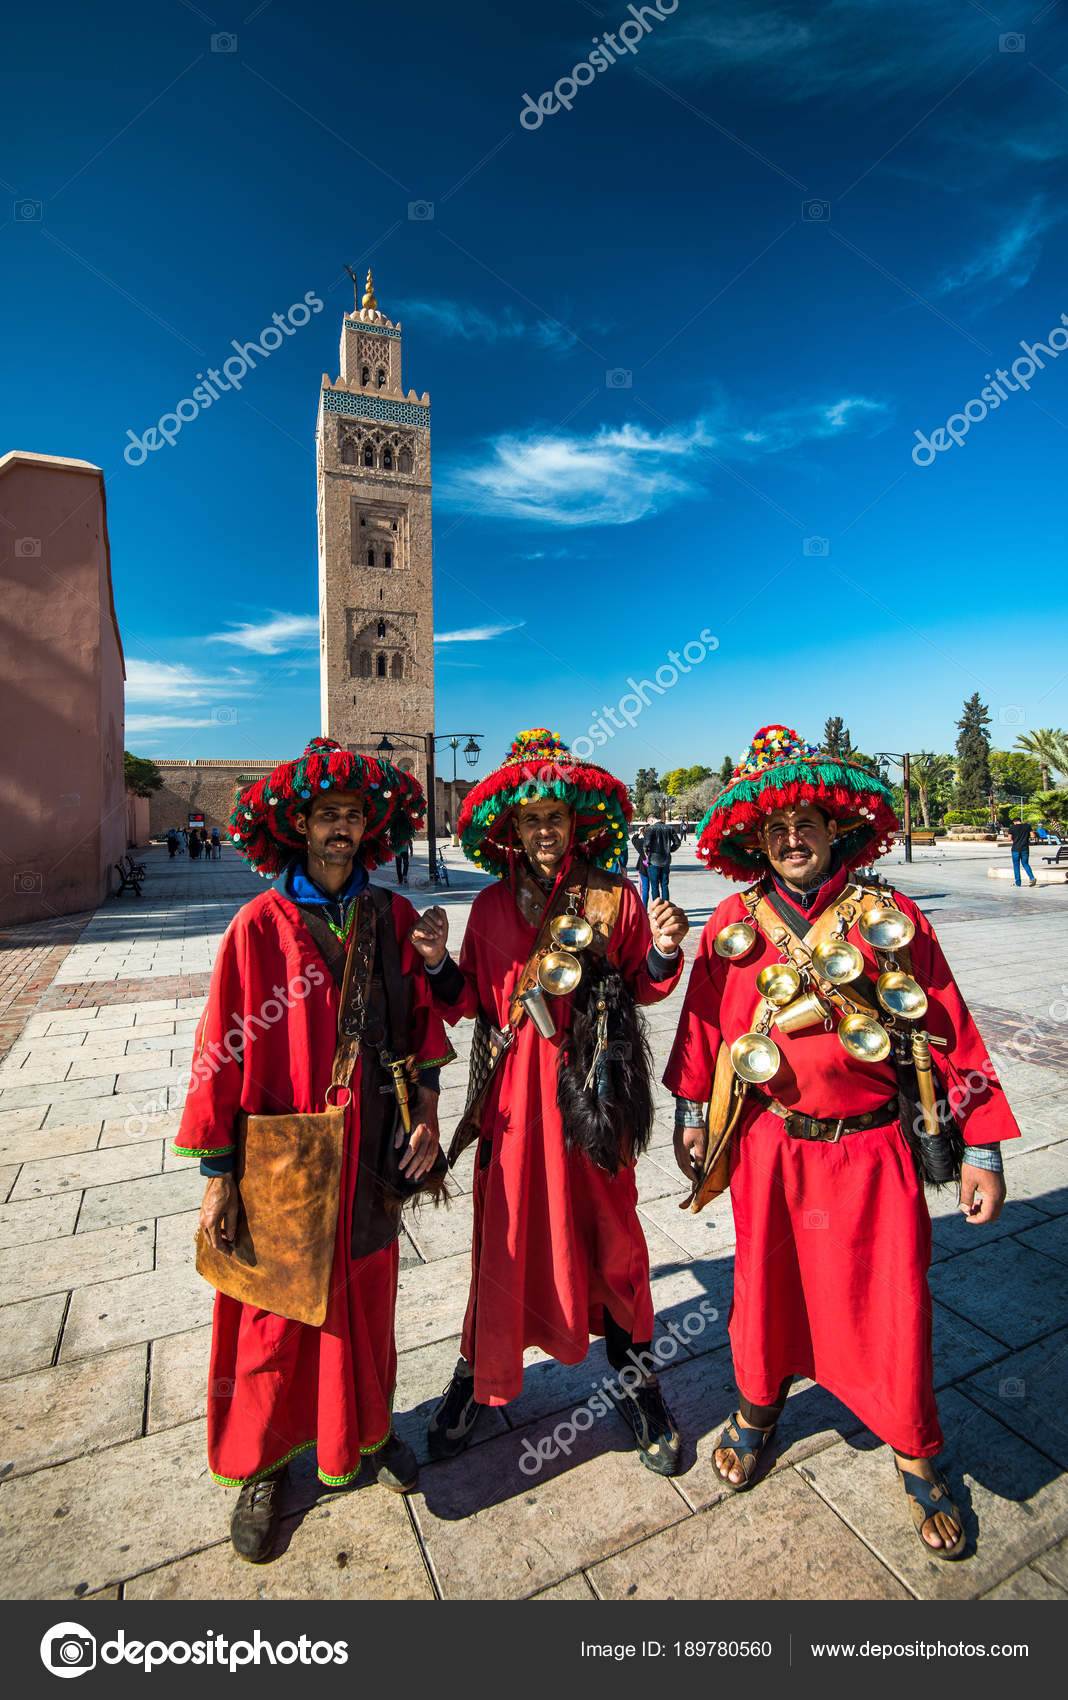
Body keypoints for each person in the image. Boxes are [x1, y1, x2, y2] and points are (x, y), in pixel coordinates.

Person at [664, 724, 1020, 1560]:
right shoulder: (733, 917)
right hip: (770, 1147)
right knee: (764, 1286)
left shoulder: (886, 916)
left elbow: (948, 1029)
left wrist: (984, 1148)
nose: (792, 841)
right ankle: (757, 1407)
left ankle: (915, 1450)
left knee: (893, 1301)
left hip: (873, 1152)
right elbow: (705, 1027)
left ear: (838, 831)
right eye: (777, 830)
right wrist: (690, 1113)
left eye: (808, 826)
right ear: (756, 838)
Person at [172, 737, 453, 1563]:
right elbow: (218, 1054)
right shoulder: (259, 927)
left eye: (353, 817)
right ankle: (263, 1461)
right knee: (272, 1316)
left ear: (371, 830)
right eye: (327, 815)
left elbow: (426, 1033)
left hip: (372, 1145)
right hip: (282, 1156)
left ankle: (365, 1435)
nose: (341, 829)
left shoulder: (393, 917)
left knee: (368, 1300)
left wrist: (428, 1111)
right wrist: (218, 1178)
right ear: (298, 825)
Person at [409, 729, 690, 1475]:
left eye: (555, 819)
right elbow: (468, 1002)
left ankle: (637, 1382)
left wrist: (663, 945)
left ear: (576, 824)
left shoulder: (612, 898)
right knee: (501, 1249)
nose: (542, 831)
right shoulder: (492, 908)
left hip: (592, 1102)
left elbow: (645, 982)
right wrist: (437, 961)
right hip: (512, 1111)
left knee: (616, 1243)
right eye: (529, 819)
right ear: (509, 830)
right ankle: (479, 1375)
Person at [634, 814, 681, 905]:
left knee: (655, 887)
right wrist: (670, 850)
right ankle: (666, 906)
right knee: (664, 885)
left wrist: (647, 852)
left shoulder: (651, 829)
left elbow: (646, 845)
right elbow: (677, 843)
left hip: (654, 861)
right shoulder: (669, 828)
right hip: (666, 860)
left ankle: (657, 907)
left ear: (651, 820)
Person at [1009, 817, 1038, 887]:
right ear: (1020, 821)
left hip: (1015, 849)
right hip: (1025, 848)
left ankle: (1018, 883)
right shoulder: (1027, 826)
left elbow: (1009, 838)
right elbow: (1033, 835)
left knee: (1016, 866)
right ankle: (1032, 877)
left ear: (1014, 822)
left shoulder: (1012, 827)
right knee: (1025, 864)